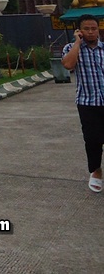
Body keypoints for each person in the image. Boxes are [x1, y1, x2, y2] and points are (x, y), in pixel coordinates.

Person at [61, 14, 104, 192]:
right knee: (93, 140)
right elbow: (68, 65)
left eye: (94, 28)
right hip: (87, 102)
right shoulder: (71, 48)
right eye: (86, 29)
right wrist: (78, 43)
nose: (91, 32)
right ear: (79, 31)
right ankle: (96, 171)